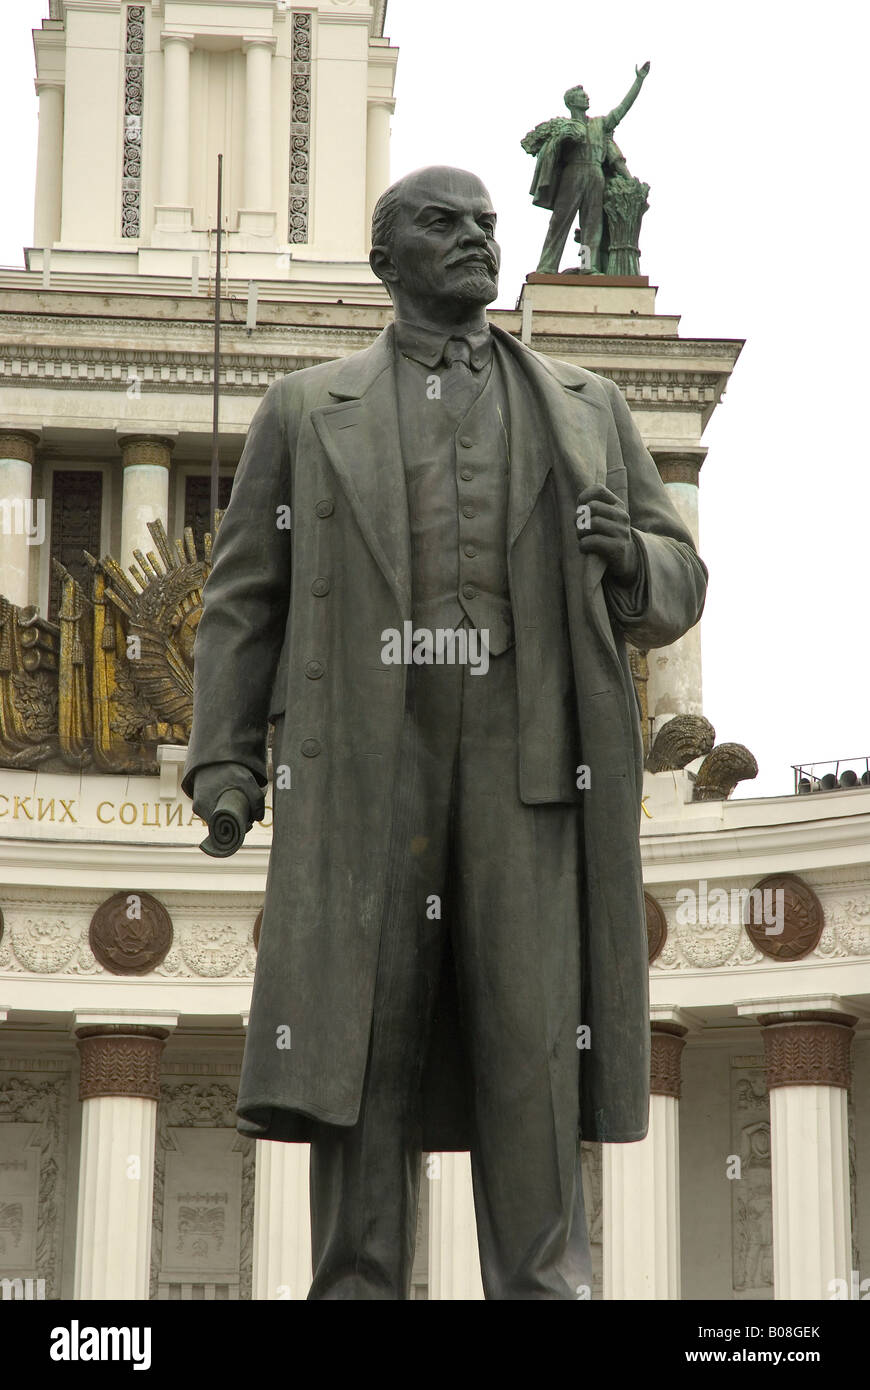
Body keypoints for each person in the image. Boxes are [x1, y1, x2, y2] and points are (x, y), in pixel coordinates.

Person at [183, 165, 706, 1299]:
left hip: (533, 774)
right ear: (385, 262)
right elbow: (243, 600)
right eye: (443, 222)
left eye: (485, 224)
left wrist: (630, 558)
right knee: (362, 1047)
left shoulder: (587, 405)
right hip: (373, 770)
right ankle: (358, 1288)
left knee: (533, 1052)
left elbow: (679, 579)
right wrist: (223, 760)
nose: (475, 237)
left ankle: (542, 1286)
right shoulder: (305, 408)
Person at [523, 62, 650, 273]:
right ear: (571, 102)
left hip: (595, 173)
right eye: (582, 96)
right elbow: (548, 153)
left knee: (592, 226)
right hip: (573, 173)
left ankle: (587, 267)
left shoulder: (599, 124)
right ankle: (547, 267)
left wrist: (639, 81)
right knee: (560, 221)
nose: (587, 98)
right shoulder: (564, 126)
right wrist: (562, 139)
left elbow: (622, 109)